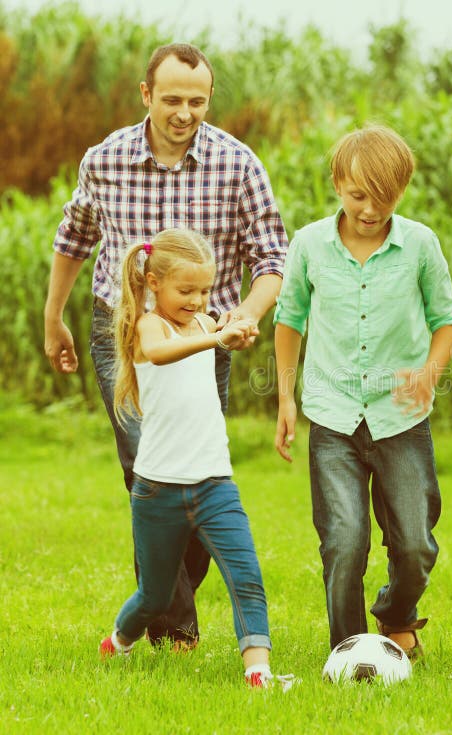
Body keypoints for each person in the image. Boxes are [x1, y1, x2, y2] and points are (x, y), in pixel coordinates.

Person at [43, 42, 288, 648]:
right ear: (146, 95)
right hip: (119, 330)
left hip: (206, 334)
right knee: (144, 463)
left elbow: (273, 256)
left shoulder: (237, 164)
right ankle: (174, 624)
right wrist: (54, 318)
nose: (185, 112)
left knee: (194, 466)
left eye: (197, 101)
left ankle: (167, 599)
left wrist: (246, 315)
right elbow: (73, 238)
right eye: (173, 99)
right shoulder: (105, 160)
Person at [272, 124, 452, 658]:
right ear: (337, 183)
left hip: (401, 416)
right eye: (358, 195)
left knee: (415, 544)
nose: (370, 208)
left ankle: (396, 616)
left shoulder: (420, 244)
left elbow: (448, 320)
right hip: (332, 415)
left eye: (384, 197)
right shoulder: (310, 244)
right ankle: (349, 652)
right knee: (344, 541)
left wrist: (429, 370)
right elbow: (289, 322)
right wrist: (286, 399)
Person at [98, 228, 294, 690]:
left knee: (246, 575)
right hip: (157, 490)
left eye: (204, 290)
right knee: (155, 595)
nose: (197, 300)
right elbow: (161, 353)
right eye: (186, 290)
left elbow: (226, 335)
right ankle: (119, 641)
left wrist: (238, 330)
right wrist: (217, 338)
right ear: (153, 283)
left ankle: (258, 672)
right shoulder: (148, 327)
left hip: (213, 485)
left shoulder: (206, 324)